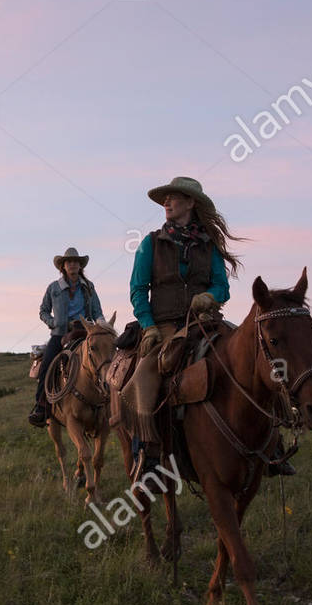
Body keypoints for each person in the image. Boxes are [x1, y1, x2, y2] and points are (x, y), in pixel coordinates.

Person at [122, 176, 292, 478]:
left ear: (190, 203)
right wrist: (148, 326)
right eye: (166, 199)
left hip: (205, 321)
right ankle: (148, 453)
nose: (167, 203)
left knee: (255, 354)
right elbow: (138, 289)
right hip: (164, 325)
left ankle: (273, 443)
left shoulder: (208, 245)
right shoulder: (150, 243)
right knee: (144, 375)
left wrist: (209, 297)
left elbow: (221, 286)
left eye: (173, 198)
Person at [28, 247, 104, 427]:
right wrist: (54, 323)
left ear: (80, 266)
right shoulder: (54, 288)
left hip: (84, 330)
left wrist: (102, 325)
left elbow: (97, 311)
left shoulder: (88, 287)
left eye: (76, 262)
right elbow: (43, 311)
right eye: (69, 262)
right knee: (47, 364)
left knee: (104, 356)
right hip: (60, 333)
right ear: (63, 266)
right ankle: (41, 406)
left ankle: (109, 400)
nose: (73, 265)